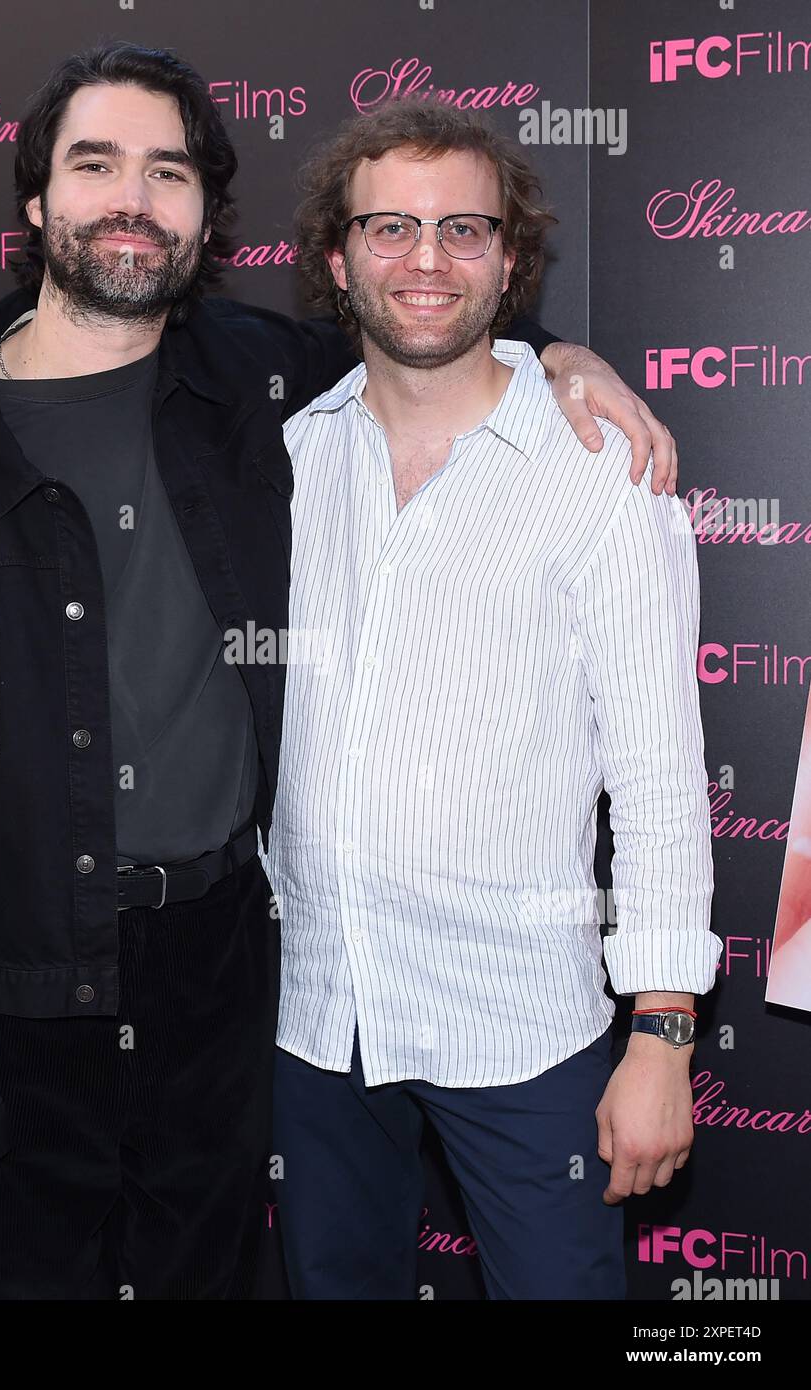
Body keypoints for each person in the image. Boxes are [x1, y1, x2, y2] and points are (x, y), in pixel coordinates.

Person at [0, 40, 677, 1301]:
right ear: (34, 202)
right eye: (94, 163)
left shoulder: (261, 384)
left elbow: (423, 312)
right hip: (19, 1001)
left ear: (209, 214)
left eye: (167, 172)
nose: (131, 197)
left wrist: (558, 357)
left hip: (227, 984)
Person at [261, 100, 722, 1300]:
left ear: (511, 259)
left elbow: (662, 774)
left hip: (519, 1026)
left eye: (463, 228)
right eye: (391, 228)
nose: (425, 260)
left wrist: (662, 1034)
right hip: (318, 1009)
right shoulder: (287, 458)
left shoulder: (602, 475)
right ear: (335, 256)